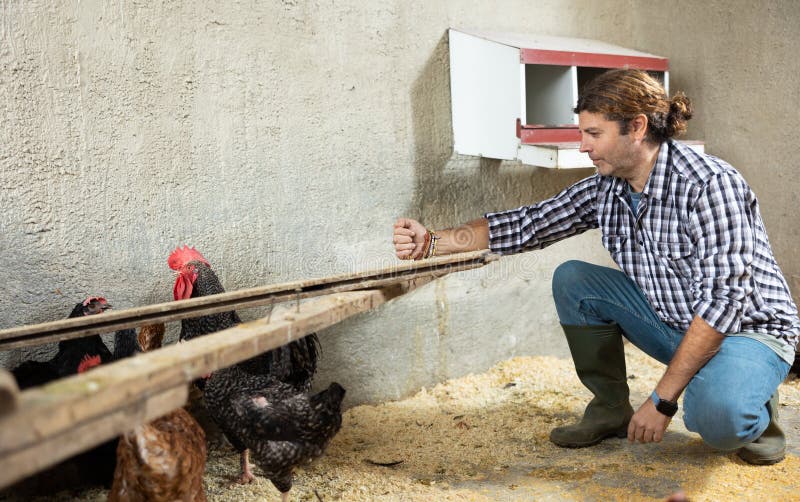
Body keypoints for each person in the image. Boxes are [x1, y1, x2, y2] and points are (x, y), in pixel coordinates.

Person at [393, 69, 798, 465]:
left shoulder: (710, 185)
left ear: (636, 127)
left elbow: (723, 304)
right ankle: (610, 408)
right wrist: (431, 242)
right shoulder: (608, 186)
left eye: (593, 133)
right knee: (574, 279)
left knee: (715, 419)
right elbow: (528, 224)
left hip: (747, 330)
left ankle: (755, 411)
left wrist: (661, 400)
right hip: (675, 321)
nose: (584, 146)